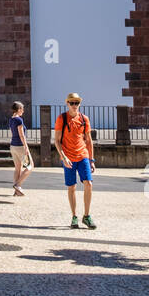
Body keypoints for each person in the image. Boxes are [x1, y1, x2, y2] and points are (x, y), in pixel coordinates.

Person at [55, 92, 97, 229]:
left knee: (88, 183)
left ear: (79, 104)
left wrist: (92, 160)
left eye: (76, 103)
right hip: (68, 157)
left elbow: (89, 140)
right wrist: (63, 156)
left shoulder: (84, 119)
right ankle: (74, 216)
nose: (74, 105)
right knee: (71, 187)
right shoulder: (62, 118)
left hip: (83, 155)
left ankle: (87, 215)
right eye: (71, 103)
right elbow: (56, 140)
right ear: (67, 103)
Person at [8, 101, 33, 195]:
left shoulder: (11, 119)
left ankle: (16, 191)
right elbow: (21, 135)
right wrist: (26, 147)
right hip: (20, 146)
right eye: (22, 109)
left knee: (17, 168)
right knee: (30, 166)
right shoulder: (19, 120)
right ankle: (18, 185)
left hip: (13, 146)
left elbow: (12, 133)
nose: (23, 111)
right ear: (19, 109)